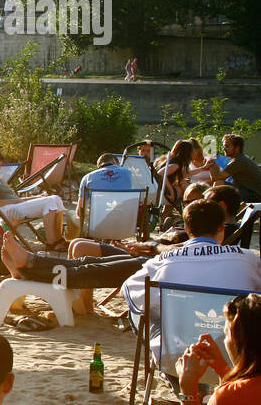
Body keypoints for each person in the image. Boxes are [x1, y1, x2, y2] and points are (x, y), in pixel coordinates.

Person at [123, 199, 261, 342]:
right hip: (235, 351)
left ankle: (158, 354)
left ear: (187, 229)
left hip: (175, 353)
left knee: (140, 308)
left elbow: (127, 291)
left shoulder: (163, 261)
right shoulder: (249, 260)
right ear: (221, 227)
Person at [0, 149, 66, 250]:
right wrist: (15, 201)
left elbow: (18, 199)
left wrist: (36, 197)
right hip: (6, 211)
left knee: (56, 199)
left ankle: (58, 239)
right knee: (50, 201)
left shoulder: (0, 180)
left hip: (17, 206)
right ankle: (51, 242)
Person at [76, 152, 134, 221]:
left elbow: (80, 213)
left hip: (97, 226)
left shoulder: (87, 177)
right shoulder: (129, 173)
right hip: (125, 224)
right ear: (114, 160)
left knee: (72, 215)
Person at [207, 134, 261, 203]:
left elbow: (216, 178)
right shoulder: (240, 158)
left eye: (227, 146)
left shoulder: (239, 160)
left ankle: (209, 207)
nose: (223, 149)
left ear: (237, 148)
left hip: (254, 196)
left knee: (219, 183)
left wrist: (211, 162)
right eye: (223, 146)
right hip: (249, 192)